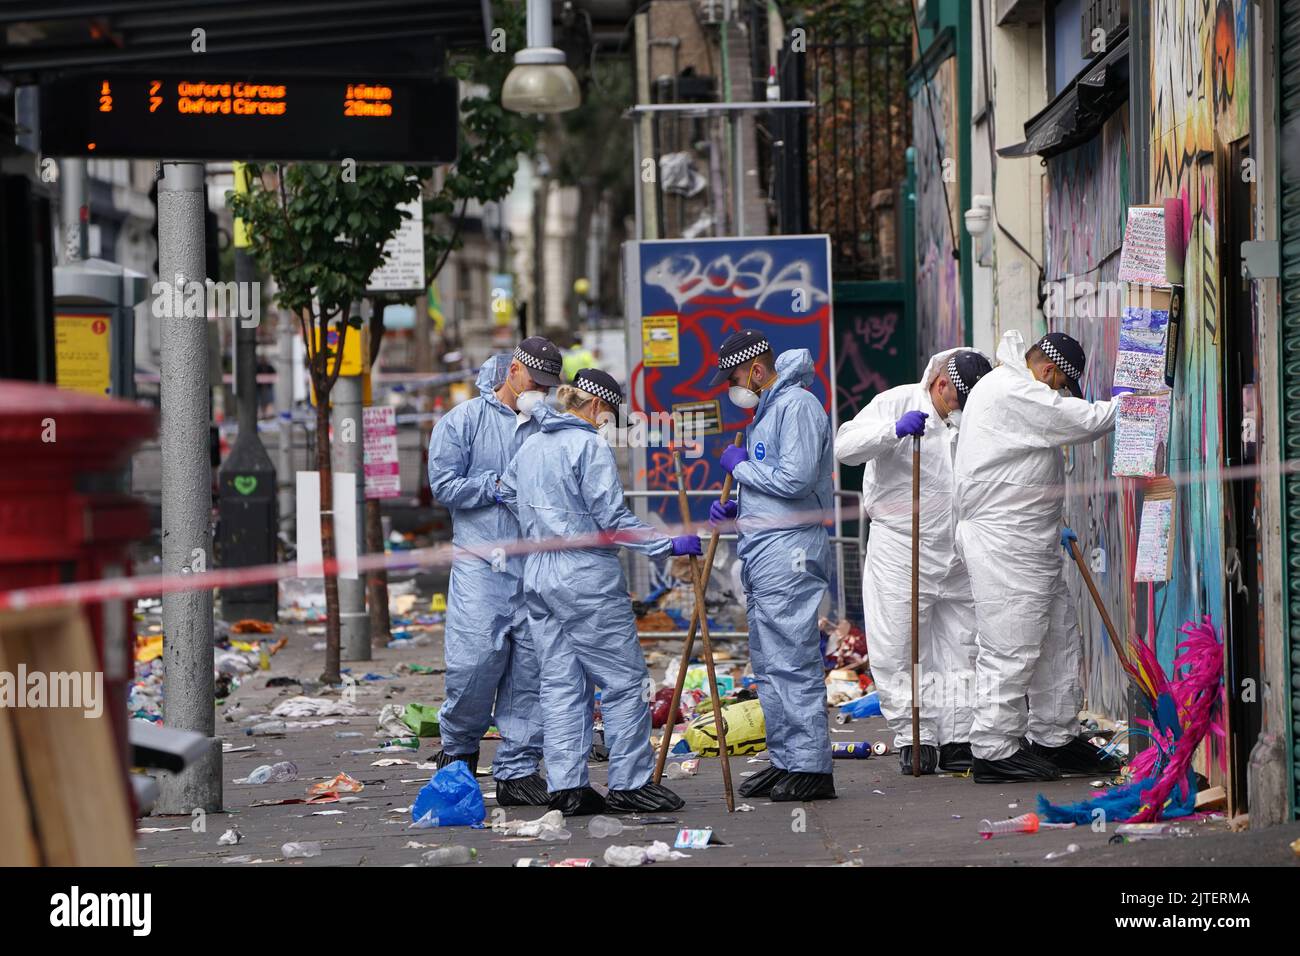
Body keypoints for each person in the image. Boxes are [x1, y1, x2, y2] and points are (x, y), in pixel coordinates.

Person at [499, 368, 700, 815]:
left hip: (539, 573)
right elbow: (613, 521)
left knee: (561, 683)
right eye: (610, 412)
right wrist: (669, 543)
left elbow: (506, 492)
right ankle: (630, 783)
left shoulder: (530, 444)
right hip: (583, 576)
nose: (610, 422)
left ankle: (568, 785)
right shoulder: (589, 445)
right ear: (594, 406)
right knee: (624, 681)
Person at [954, 329, 1123, 783]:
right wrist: (1128, 406)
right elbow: (1077, 421)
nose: (1060, 393)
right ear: (1049, 370)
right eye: (1061, 386)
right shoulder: (1014, 390)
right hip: (1006, 542)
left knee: (1057, 639)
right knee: (1012, 641)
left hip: (1029, 538)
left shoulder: (1013, 386)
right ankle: (994, 749)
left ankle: (1056, 736)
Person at [834, 348, 992, 775]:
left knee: (962, 645)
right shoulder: (895, 402)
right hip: (902, 549)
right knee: (899, 645)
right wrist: (892, 432)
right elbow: (845, 447)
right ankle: (914, 735)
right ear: (941, 386)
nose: (962, 411)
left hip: (956, 548)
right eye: (959, 401)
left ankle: (959, 736)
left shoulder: (975, 414)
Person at [425, 336, 563, 806]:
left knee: (530, 669)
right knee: (475, 661)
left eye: (549, 385)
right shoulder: (464, 421)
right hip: (482, 562)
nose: (540, 391)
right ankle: (458, 751)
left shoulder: (549, 426)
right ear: (514, 371)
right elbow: (442, 484)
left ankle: (518, 769)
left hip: (535, 564)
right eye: (536, 381)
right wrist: (492, 487)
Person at [707, 330, 836, 802]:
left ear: (757, 371)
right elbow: (773, 487)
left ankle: (811, 766)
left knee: (792, 661)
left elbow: (797, 479)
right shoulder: (768, 411)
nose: (732, 387)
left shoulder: (796, 406)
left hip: (790, 552)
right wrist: (739, 509)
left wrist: (739, 468)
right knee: (768, 662)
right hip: (765, 550)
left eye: (735, 377)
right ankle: (787, 759)